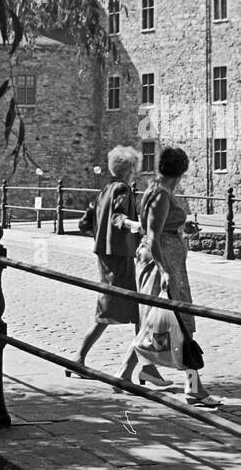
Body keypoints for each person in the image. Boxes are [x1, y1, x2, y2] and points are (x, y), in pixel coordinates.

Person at [119, 146, 219, 407]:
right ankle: (194, 387)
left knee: (154, 324)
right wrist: (164, 271)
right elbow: (153, 236)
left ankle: (125, 374)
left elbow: (158, 228)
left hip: (166, 262)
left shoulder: (155, 189)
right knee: (181, 323)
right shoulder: (162, 195)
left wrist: (181, 227)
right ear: (181, 171)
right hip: (164, 266)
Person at [71, 146, 171, 387]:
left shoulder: (103, 189)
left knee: (120, 308)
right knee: (131, 309)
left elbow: (84, 222)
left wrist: (101, 235)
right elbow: (117, 217)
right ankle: (80, 359)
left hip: (106, 255)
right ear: (130, 169)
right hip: (121, 257)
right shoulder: (123, 189)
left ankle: (146, 367)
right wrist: (132, 226)